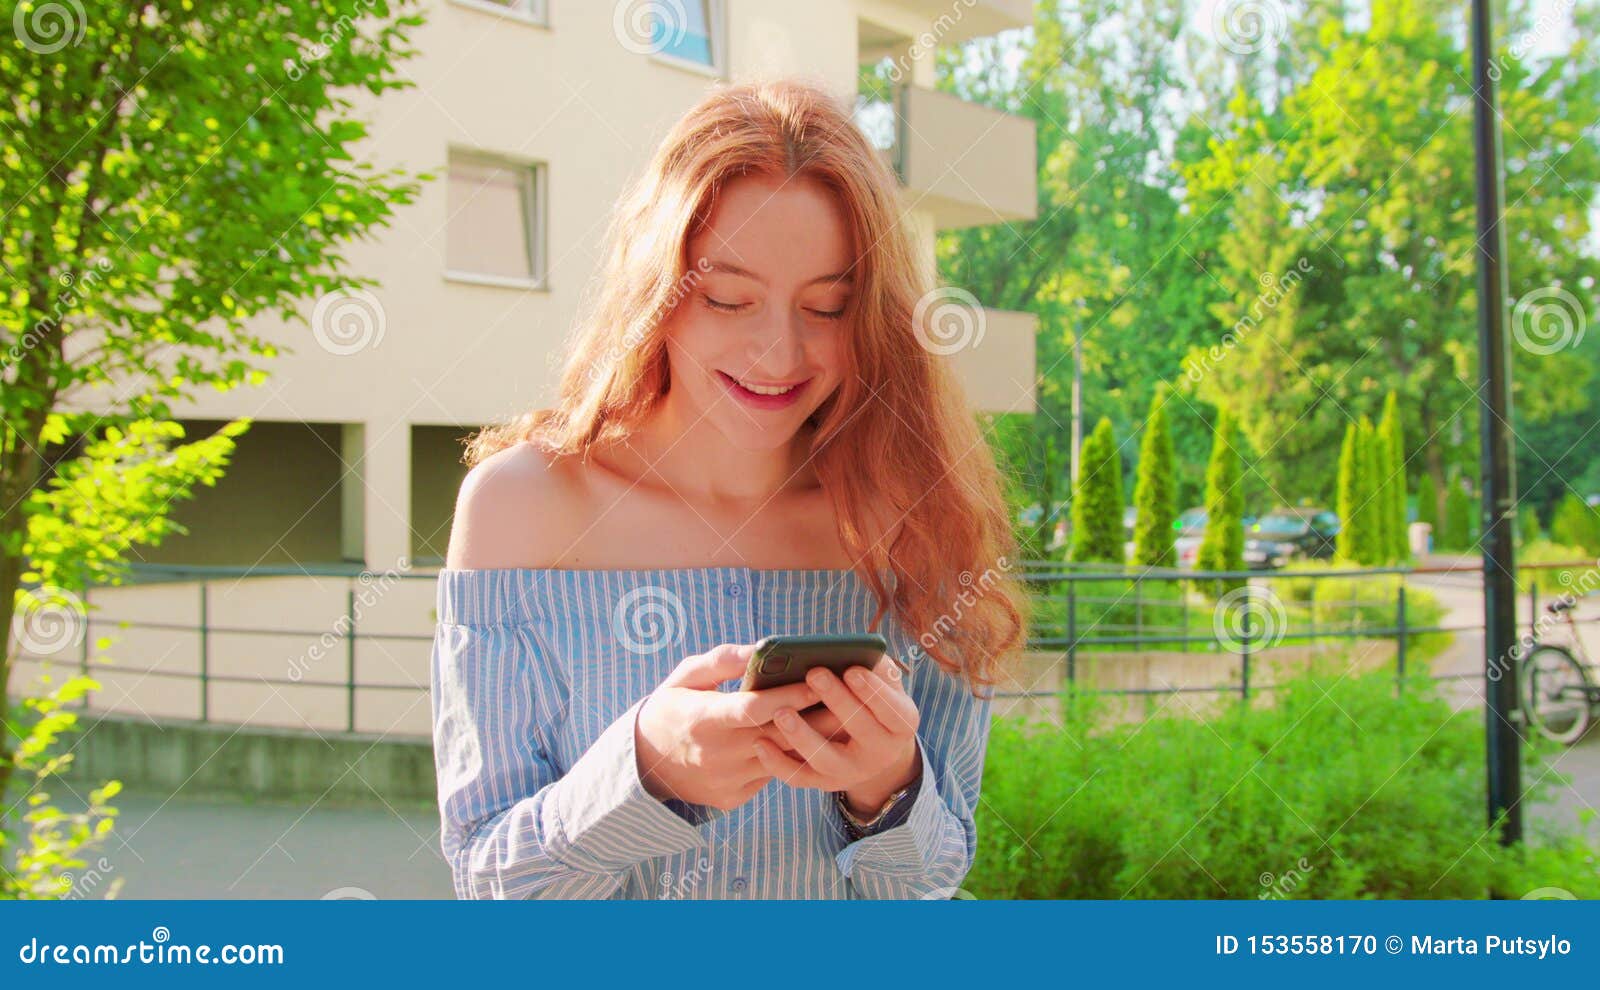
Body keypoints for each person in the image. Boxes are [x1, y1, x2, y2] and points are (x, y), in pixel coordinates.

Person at [430, 76, 1027, 899]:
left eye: (827, 308)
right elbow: (490, 884)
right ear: (659, 293)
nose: (778, 355)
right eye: (728, 297)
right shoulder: (520, 509)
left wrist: (889, 786)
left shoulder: (918, 518)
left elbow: (930, 881)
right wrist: (643, 772)